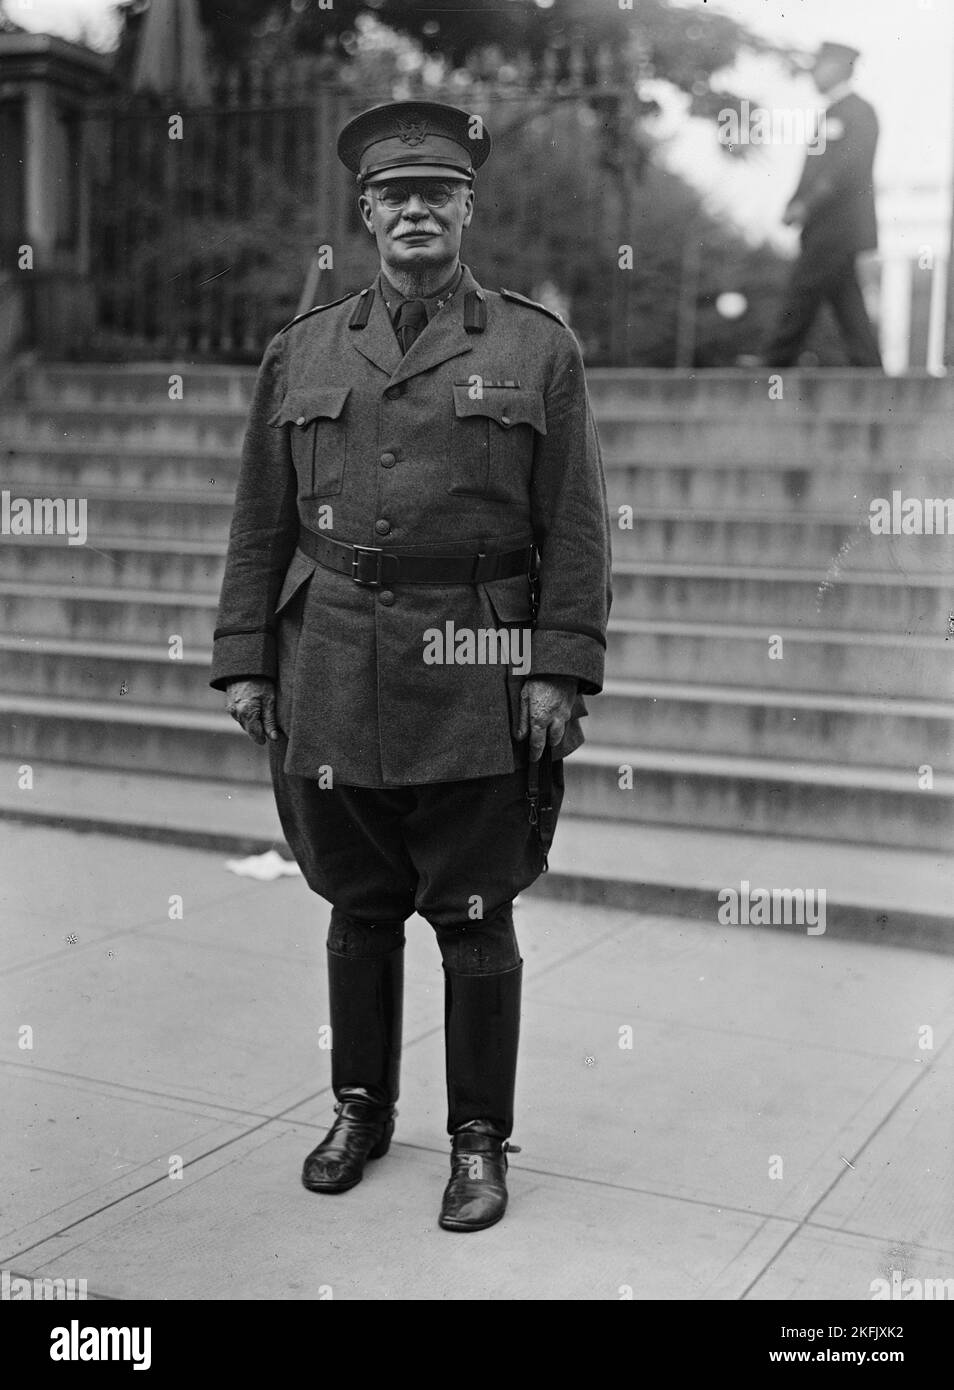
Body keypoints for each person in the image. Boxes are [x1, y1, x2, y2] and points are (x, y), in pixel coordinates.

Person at [210, 101, 612, 1232]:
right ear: (367, 213)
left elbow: (577, 526)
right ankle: (362, 1107)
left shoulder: (537, 345)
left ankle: (479, 1137)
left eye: (439, 192)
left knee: (476, 913)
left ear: (467, 208)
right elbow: (259, 520)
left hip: (479, 665)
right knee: (359, 903)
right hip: (330, 656)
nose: (417, 210)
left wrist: (558, 672)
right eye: (396, 196)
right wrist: (246, 658)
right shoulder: (304, 348)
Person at [762, 41, 882, 368]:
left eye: (819, 65)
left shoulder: (859, 112)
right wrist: (794, 201)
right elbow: (813, 169)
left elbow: (846, 170)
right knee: (846, 301)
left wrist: (807, 204)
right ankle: (871, 371)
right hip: (826, 224)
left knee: (803, 289)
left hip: (839, 225)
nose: (814, 73)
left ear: (839, 67)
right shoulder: (832, 113)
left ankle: (773, 363)